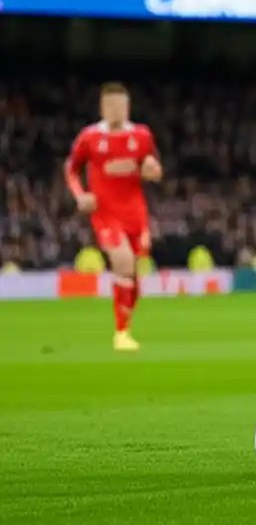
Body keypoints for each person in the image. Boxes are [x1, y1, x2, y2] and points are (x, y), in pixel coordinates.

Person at [64, 82, 162, 352]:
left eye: (121, 105)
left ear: (127, 107)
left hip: (136, 213)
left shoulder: (141, 135)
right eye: (111, 105)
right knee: (122, 261)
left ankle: (126, 326)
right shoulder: (90, 137)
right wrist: (80, 195)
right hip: (106, 214)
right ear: (103, 107)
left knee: (133, 271)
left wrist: (151, 170)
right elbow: (71, 169)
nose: (116, 110)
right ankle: (121, 333)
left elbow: (153, 167)